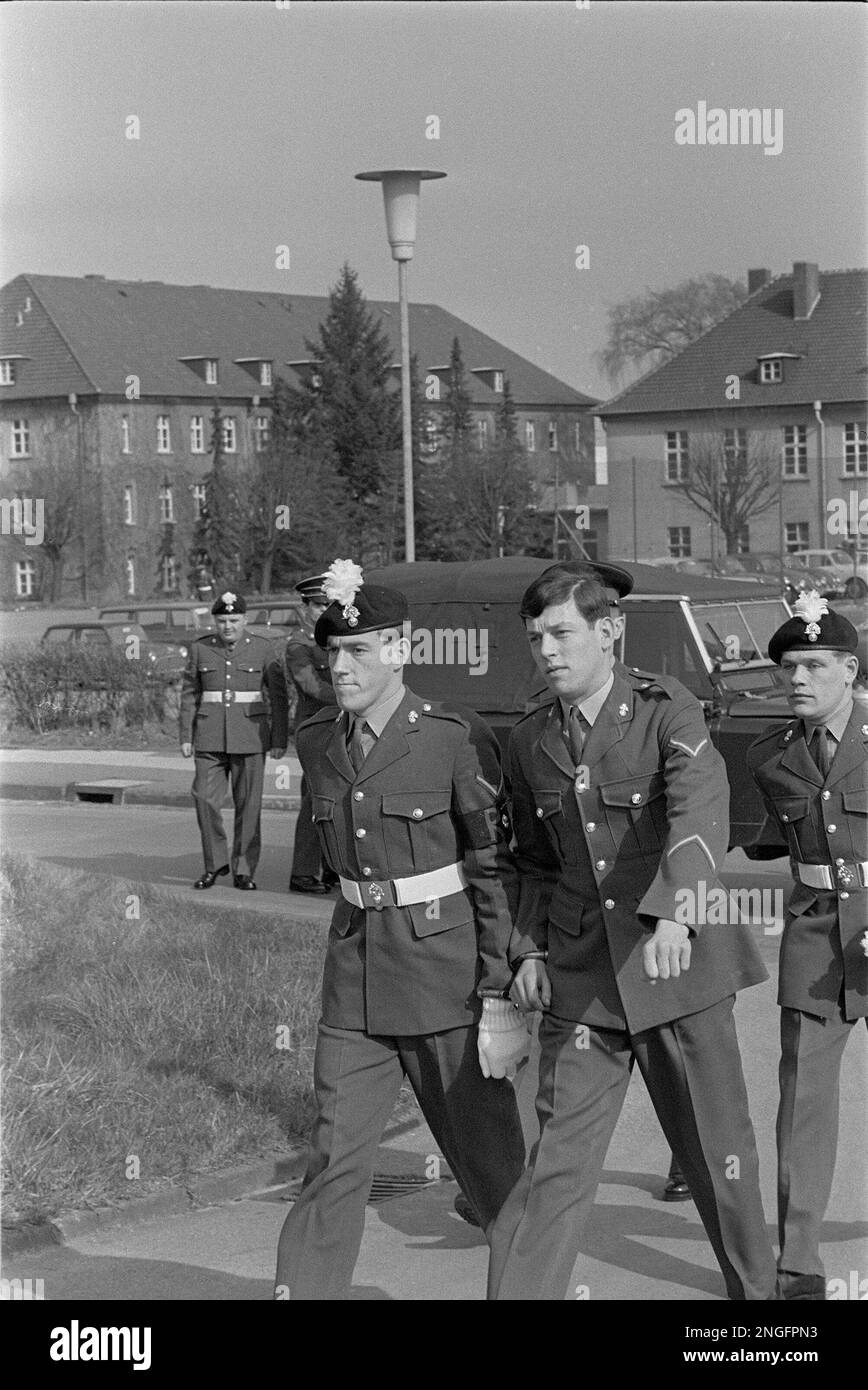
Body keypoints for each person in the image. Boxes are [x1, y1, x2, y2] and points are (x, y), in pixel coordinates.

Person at [487, 562, 777, 1301]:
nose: (547, 651)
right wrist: (529, 949)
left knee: (718, 1156)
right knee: (554, 1164)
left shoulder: (665, 711)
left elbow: (699, 810)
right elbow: (526, 861)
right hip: (584, 980)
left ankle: (762, 1305)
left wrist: (677, 911)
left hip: (678, 965)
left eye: (562, 633)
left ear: (609, 630)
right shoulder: (528, 742)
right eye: (535, 637)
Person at [274, 559, 528, 1300]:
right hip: (354, 974)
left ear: (401, 650)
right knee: (333, 1158)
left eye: (358, 651)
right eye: (332, 652)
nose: (340, 666)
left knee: (492, 1166)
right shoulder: (318, 740)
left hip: (445, 977)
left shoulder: (454, 735)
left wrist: (501, 987)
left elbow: (492, 867)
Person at [747, 591, 867, 1301]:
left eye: (815, 666)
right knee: (804, 1099)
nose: (798, 680)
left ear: (849, 671)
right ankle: (798, 1260)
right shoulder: (773, 759)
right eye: (789, 667)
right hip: (819, 935)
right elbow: (763, 841)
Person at [180, 590, 288, 890]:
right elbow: (190, 694)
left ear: (245, 619)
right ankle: (215, 864)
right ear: (215, 620)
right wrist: (185, 736)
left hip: (251, 737)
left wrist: (279, 738)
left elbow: (278, 697)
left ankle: (243, 869)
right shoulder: (201, 649)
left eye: (234, 620)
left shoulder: (263, 649)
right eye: (223, 620)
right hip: (209, 737)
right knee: (203, 799)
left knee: (249, 806)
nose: (228, 626)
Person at [285, 572, 339, 895]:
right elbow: (312, 686)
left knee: (335, 797)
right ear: (304, 607)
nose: (324, 610)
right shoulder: (299, 644)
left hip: (338, 723)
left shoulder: (333, 637)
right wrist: (351, 694)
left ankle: (331, 868)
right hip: (315, 727)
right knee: (313, 800)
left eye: (328, 603)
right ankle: (302, 873)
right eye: (318, 605)